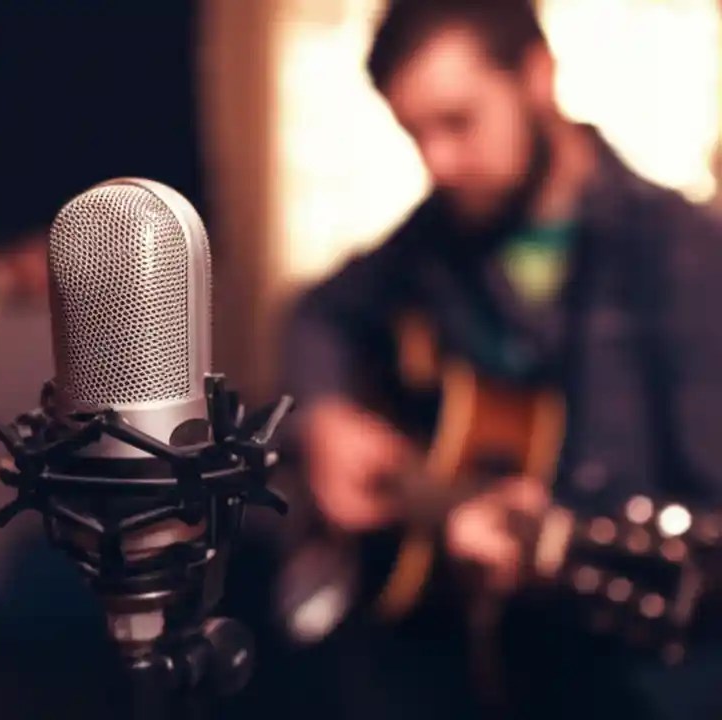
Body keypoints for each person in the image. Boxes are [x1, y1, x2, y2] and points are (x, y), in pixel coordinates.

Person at [282, 1, 722, 718]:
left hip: (624, 660)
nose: (438, 163)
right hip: (461, 650)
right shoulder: (434, 238)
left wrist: (545, 538)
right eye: (415, 134)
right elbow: (316, 315)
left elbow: (706, 507)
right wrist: (326, 416)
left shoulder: (685, 254)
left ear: (537, 77)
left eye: (459, 122)